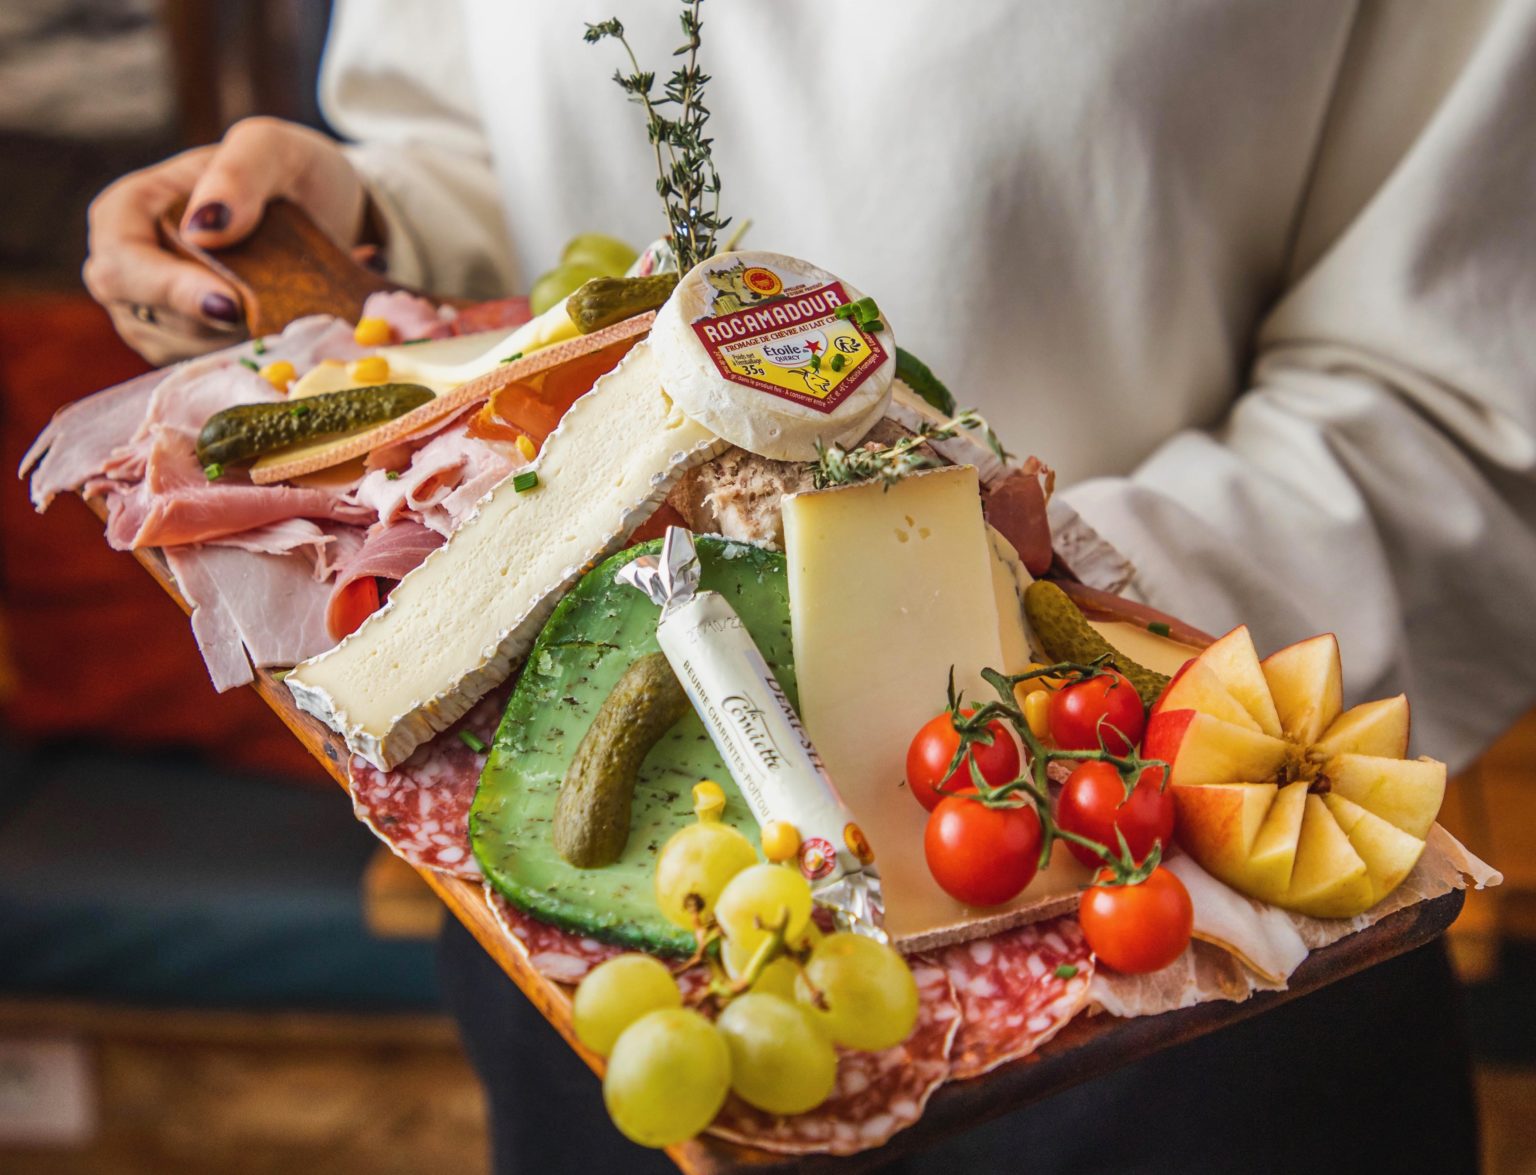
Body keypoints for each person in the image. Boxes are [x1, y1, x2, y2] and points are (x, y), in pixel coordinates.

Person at [83, 2, 1535, 1171]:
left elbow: (1461, 387)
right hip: (619, 939)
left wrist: (985, 614)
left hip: (1139, 949)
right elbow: (483, 156)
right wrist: (369, 227)